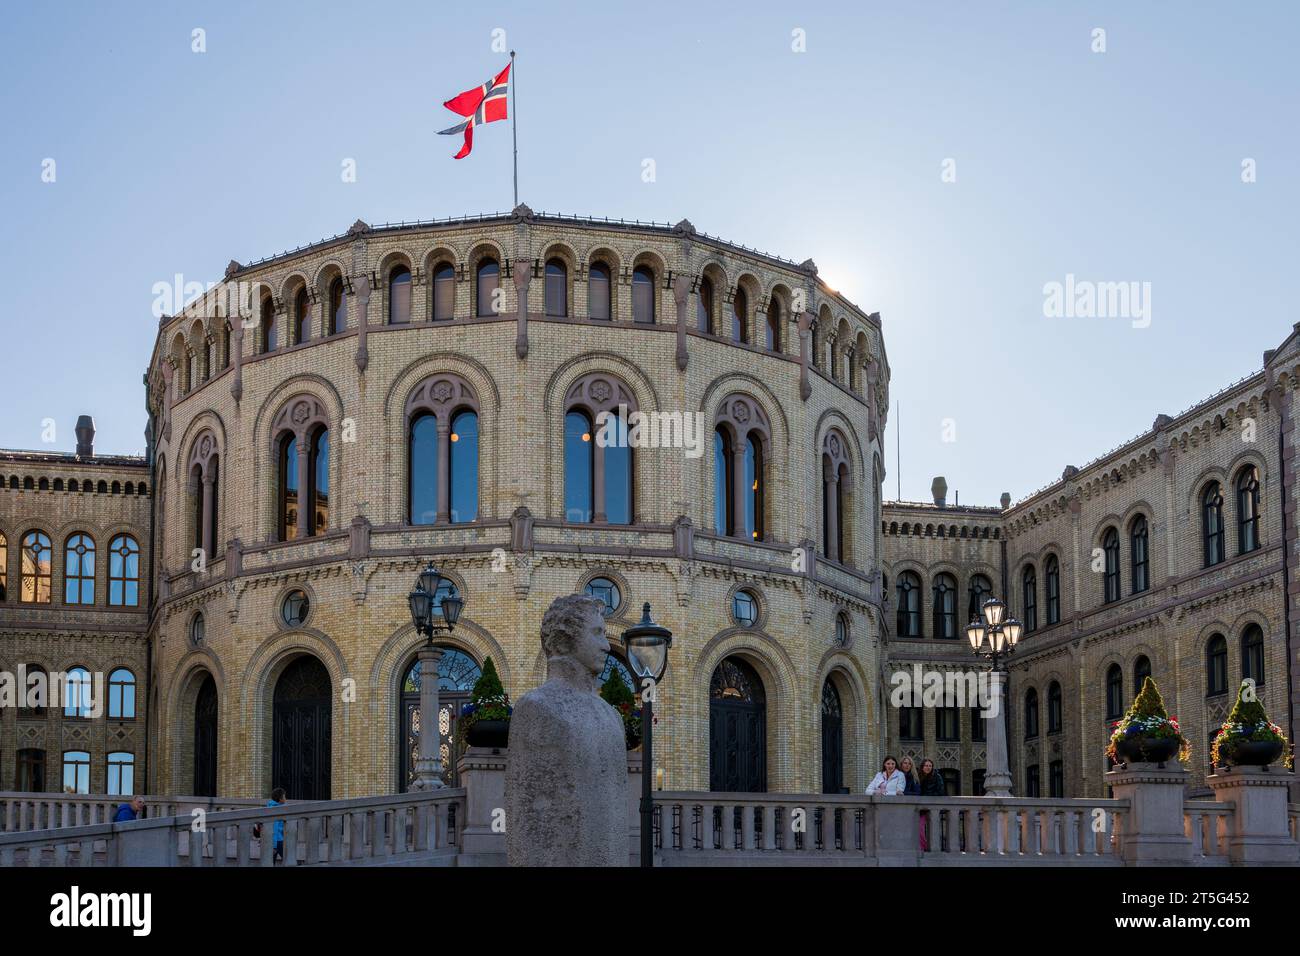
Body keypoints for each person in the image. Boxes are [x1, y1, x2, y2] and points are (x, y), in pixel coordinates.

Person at [916, 758, 947, 851]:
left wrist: (927, 797)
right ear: (922, 767)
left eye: (930, 766)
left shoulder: (937, 776)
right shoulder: (917, 776)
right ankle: (922, 847)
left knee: (924, 829)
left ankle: (924, 848)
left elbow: (941, 792)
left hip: (931, 808)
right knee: (918, 829)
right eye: (926, 765)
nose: (928, 767)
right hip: (919, 808)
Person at [265, 787, 287, 862]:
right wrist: (274, 846)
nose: (285, 799)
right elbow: (274, 829)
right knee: (288, 859)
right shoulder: (276, 810)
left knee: (271, 862)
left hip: (274, 840)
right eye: (284, 797)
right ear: (280, 799)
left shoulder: (272, 807)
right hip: (277, 840)